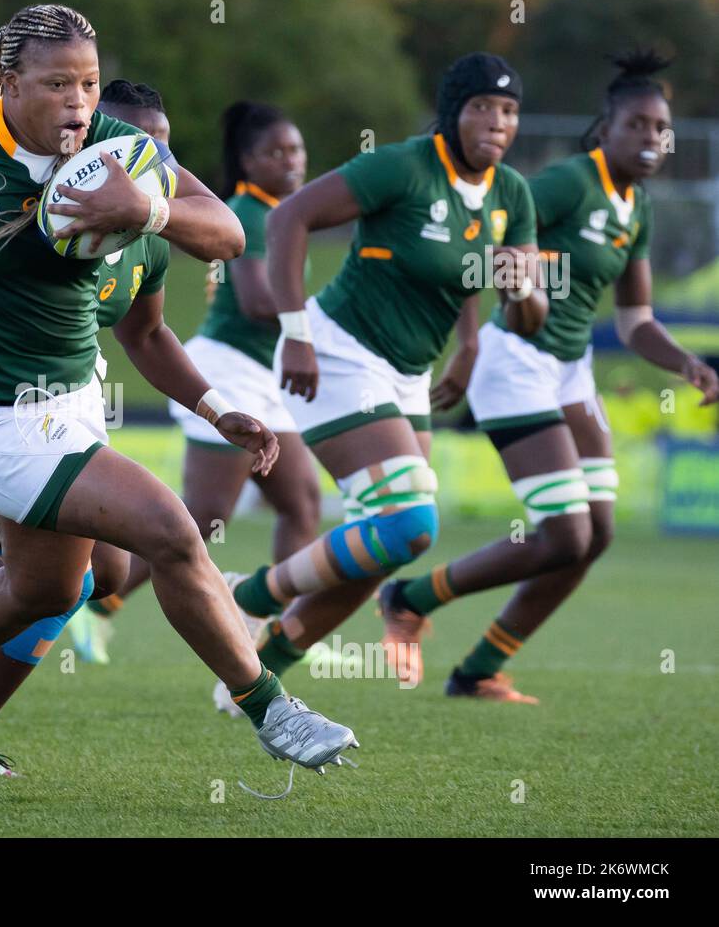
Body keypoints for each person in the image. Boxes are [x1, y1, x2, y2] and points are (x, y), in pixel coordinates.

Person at [0, 3, 357, 779]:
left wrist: (148, 211)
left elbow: (223, 235)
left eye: (88, 83)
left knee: (50, 585)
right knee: (171, 531)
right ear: (8, 83)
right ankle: (271, 710)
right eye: (59, 84)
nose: (80, 102)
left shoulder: (117, 153)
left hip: (71, 404)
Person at [381, 50, 719, 701]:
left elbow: (635, 319)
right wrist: (471, 341)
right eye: (637, 126)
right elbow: (484, 239)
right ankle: (410, 597)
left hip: (569, 370)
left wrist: (689, 365)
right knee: (566, 533)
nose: (651, 138)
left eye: (660, 129)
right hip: (514, 362)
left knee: (594, 537)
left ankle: (478, 670)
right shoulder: (568, 183)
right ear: (606, 129)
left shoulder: (637, 207)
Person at [227, 52, 548, 688]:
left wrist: (514, 296)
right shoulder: (403, 166)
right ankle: (251, 595)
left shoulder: (512, 193)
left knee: (385, 549)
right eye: (482, 107)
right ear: (454, 112)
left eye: (509, 111)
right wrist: (295, 334)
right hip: (339, 350)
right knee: (407, 523)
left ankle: (260, 674)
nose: (497, 122)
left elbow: (526, 314)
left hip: (406, 373)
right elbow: (292, 218)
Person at [95, 100, 322, 707]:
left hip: (262, 374)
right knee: (200, 517)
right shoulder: (245, 210)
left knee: (301, 502)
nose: (290, 161)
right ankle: (100, 605)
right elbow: (252, 301)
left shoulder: (276, 212)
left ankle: (273, 622)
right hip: (227, 368)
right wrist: (320, 321)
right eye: (275, 152)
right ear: (247, 162)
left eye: (295, 150)